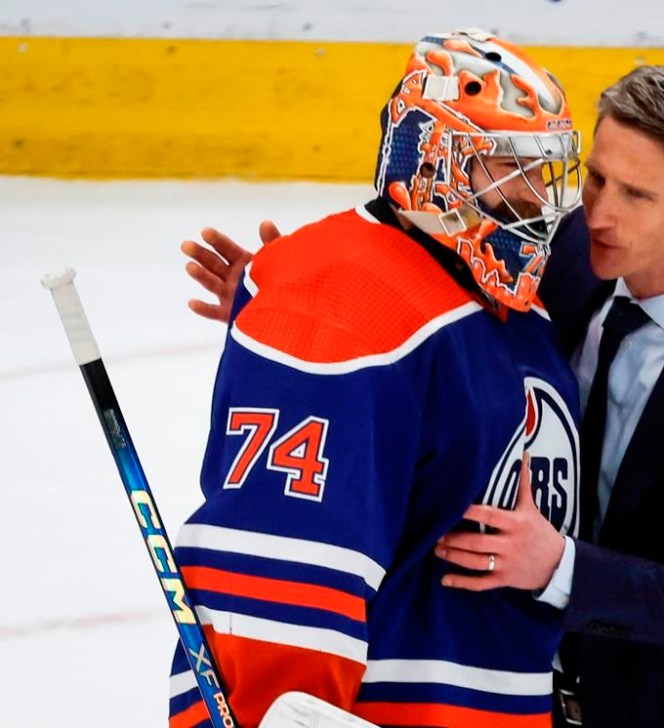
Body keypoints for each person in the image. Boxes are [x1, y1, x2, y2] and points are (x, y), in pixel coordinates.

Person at [185, 65, 664, 728]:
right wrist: (292, 298)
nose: (599, 213)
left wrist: (563, 568)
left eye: (636, 195)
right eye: (597, 177)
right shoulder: (569, 249)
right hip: (537, 694)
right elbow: (437, 290)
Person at [169, 29, 584, 728]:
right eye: (507, 169)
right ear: (432, 160)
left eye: (540, 172)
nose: (534, 197)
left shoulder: (510, 302)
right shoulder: (344, 303)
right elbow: (280, 589)